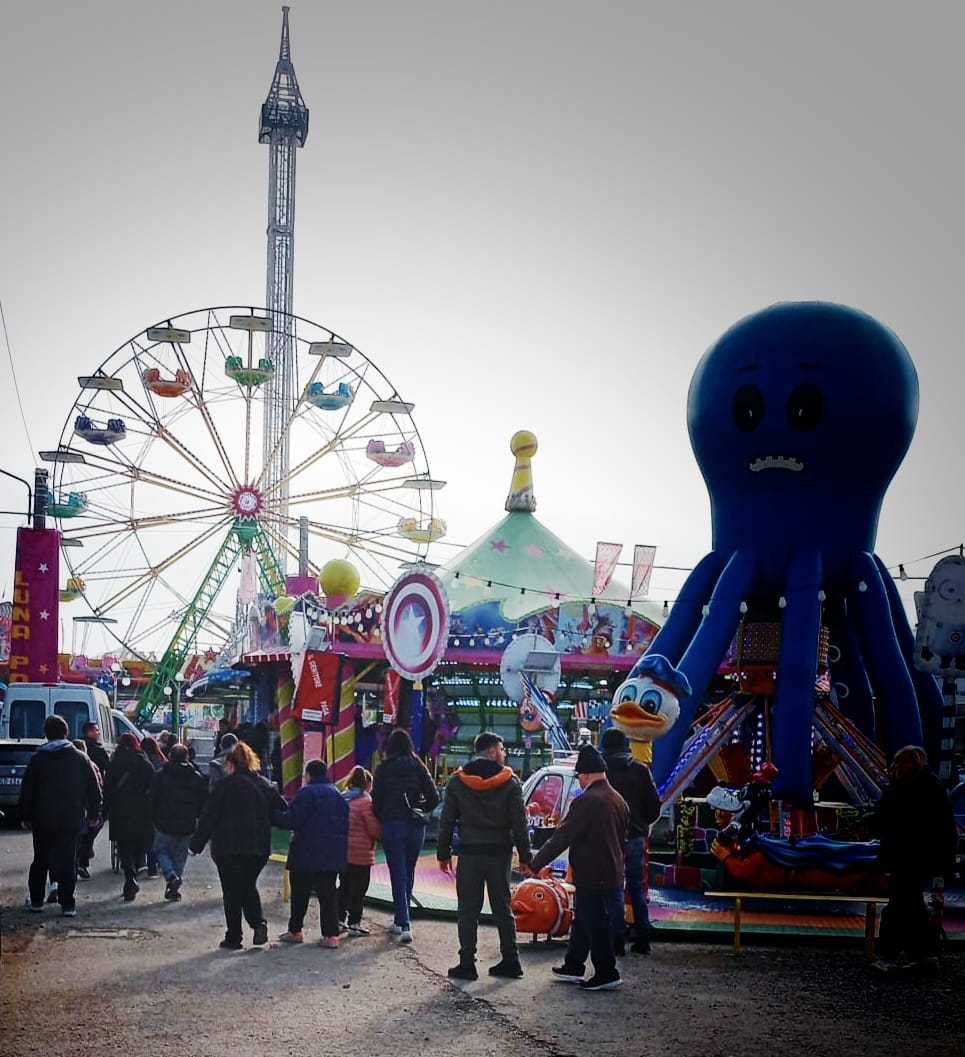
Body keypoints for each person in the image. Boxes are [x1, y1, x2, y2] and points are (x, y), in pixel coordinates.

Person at [521, 743, 629, 992]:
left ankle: (606, 972)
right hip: (611, 871)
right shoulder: (617, 799)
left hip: (593, 873)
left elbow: (562, 836)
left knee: (595, 922)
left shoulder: (588, 801)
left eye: (580, 775)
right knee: (584, 919)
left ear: (587, 773)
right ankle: (573, 964)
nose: (579, 780)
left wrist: (535, 864)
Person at [437, 731, 533, 981]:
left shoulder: (458, 782)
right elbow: (519, 824)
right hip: (499, 854)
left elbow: (446, 821)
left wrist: (443, 853)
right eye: (502, 749)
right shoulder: (510, 782)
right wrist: (525, 857)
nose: (504, 754)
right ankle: (511, 960)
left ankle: (467, 964)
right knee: (502, 906)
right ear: (492, 751)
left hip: (469, 854)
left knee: (468, 909)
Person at [189, 741, 288, 950]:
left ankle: (234, 937)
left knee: (232, 891)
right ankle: (257, 923)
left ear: (230, 763)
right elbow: (281, 811)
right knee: (247, 885)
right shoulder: (264, 785)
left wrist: (196, 844)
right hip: (258, 848)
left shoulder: (224, 786)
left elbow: (209, 816)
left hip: (228, 847)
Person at [871, 745, 958, 974]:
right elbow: (885, 823)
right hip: (908, 856)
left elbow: (942, 829)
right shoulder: (913, 789)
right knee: (910, 905)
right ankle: (921, 954)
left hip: (916, 855)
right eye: (898, 763)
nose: (899, 768)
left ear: (915, 764)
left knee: (900, 905)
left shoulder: (924, 790)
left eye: (904, 763)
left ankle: (893, 954)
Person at [18, 715, 102, 917]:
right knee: (67, 860)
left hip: (43, 818)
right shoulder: (81, 758)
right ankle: (67, 904)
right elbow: (94, 790)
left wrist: (25, 815)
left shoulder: (38, 759)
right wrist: (93, 814)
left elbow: (27, 789)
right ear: (66, 733)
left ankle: (37, 901)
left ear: (45, 734)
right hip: (71, 818)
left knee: (41, 859)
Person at [371, 728, 439, 943]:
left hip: (393, 825)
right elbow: (434, 797)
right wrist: (420, 808)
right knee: (408, 872)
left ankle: (404, 922)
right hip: (415, 827)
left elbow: (376, 800)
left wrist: (384, 816)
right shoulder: (418, 765)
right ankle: (402, 919)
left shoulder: (384, 768)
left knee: (397, 874)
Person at [599, 727, 662, 955]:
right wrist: (640, 823)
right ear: (626, 746)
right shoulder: (640, 770)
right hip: (635, 835)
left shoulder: (601, 771)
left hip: (607, 837)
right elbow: (655, 806)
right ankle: (643, 937)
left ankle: (617, 939)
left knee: (612, 886)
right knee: (635, 886)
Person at [277, 759, 349, 947]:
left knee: (300, 894)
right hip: (332, 855)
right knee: (328, 895)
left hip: (305, 852)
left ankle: (295, 931)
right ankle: (331, 936)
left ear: (308, 775)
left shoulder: (306, 793)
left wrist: (276, 815)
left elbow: (292, 820)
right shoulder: (338, 796)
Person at [150, 742, 208, 902]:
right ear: (187, 757)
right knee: (180, 856)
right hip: (186, 823)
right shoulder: (196, 777)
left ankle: (170, 875)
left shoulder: (160, 775)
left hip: (163, 821)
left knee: (160, 851)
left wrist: (153, 816)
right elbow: (203, 801)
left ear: (169, 756)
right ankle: (174, 886)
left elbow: (153, 799)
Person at [103, 732, 155, 901]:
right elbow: (153, 787)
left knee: (123, 845)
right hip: (142, 810)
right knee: (139, 842)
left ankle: (129, 876)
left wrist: (104, 811)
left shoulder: (115, 762)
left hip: (120, 810)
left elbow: (108, 789)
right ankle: (137, 867)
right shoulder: (145, 762)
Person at [338, 766, 381, 936]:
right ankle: (355, 923)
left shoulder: (342, 799)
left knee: (344, 887)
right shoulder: (366, 803)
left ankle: (338, 920)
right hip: (362, 854)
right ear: (366, 785)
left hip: (343, 852)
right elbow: (374, 829)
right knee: (359, 890)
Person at [71, 740, 104, 880]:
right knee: (93, 829)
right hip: (87, 807)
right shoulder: (91, 765)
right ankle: (83, 860)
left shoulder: (67, 766)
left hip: (72, 807)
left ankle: (76, 862)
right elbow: (98, 788)